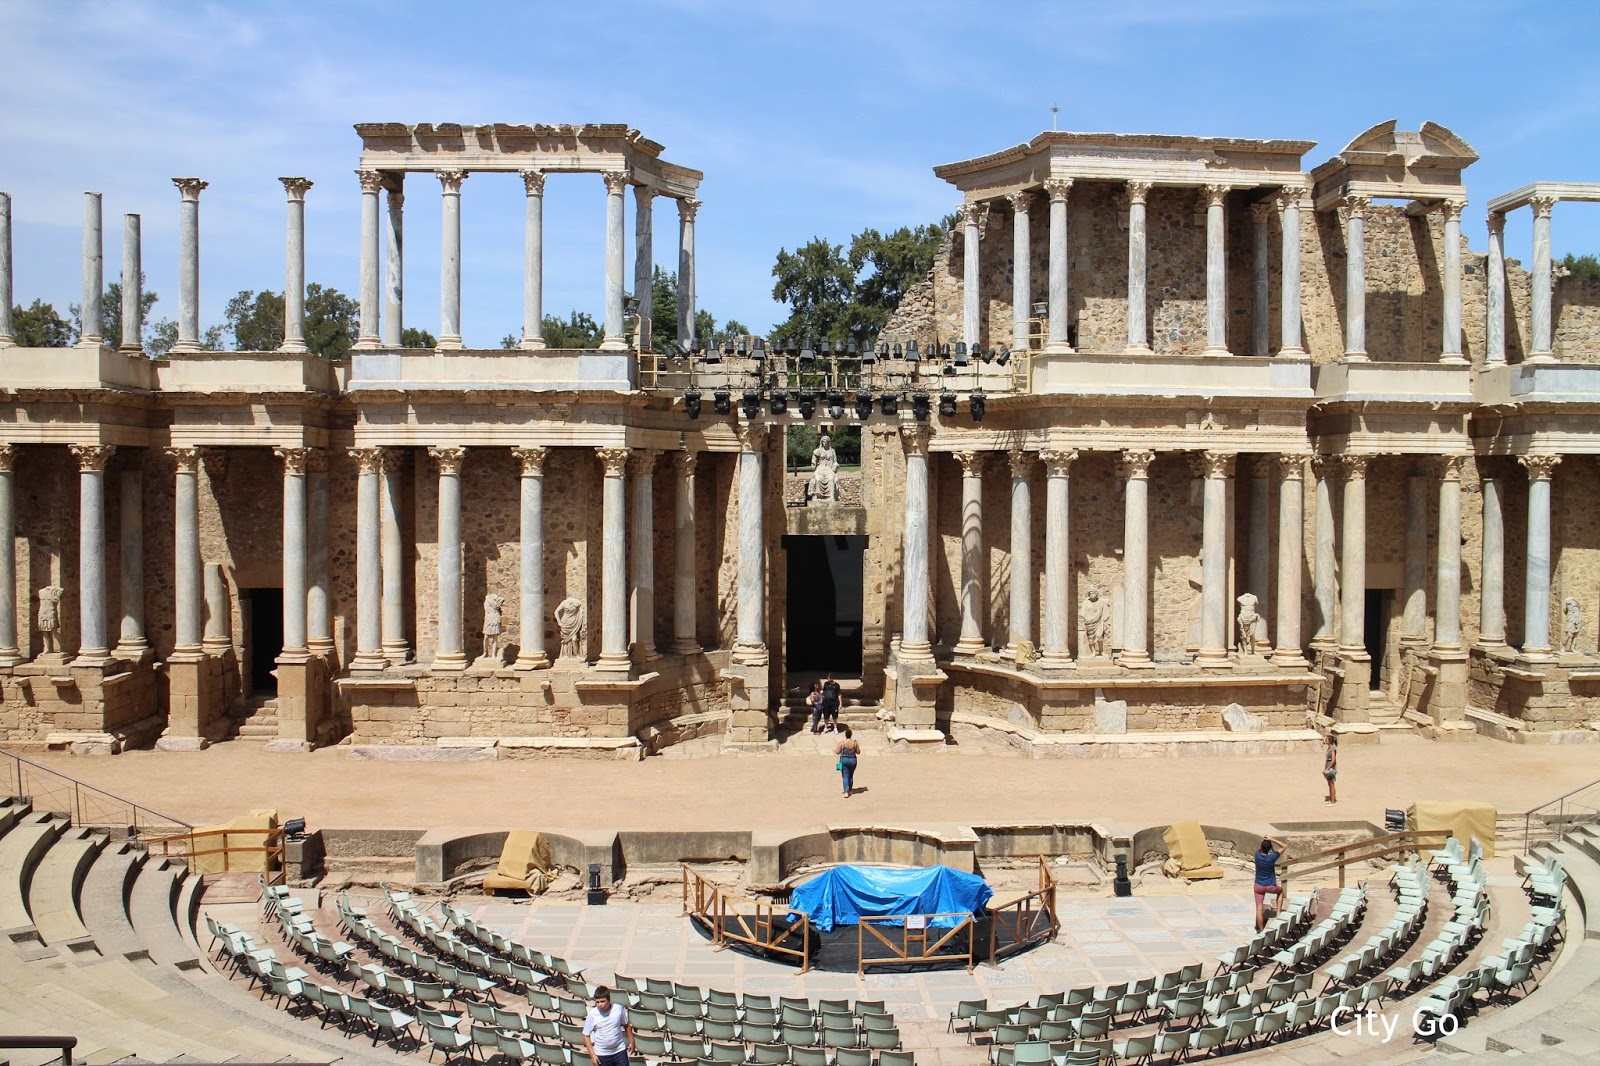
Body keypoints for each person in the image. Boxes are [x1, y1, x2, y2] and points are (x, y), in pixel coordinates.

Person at [582, 986, 633, 1066]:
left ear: (609, 1000)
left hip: (619, 1051)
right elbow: (586, 1035)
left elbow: (627, 1025)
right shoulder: (592, 1014)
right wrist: (592, 1055)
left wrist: (631, 1042)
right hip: (602, 1054)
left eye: (603, 1001)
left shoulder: (618, 1009)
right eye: (597, 1002)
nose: (600, 1005)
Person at [1253, 836, 1289, 931]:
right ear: (1269, 848)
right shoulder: (1272, 857)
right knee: (1280, 891)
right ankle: (1278, 913)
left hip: (1258, 886)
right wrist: (1272, 839)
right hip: (1270, 886)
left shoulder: (1257, 855)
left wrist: (1264, 842)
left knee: (1259, 909)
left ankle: (1261, 930)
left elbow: (1259, 849)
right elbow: (1284, 846)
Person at [808, 434, 839, 502]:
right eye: (823, 442)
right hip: (820, 469)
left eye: (826, 442)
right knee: (818, 479)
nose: (825, 443)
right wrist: (814, 459)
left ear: (828, 442)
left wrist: (835, 465)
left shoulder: (832, 451)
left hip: (829, 469)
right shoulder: (817, 451)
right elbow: (813, 463)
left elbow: (835, 461)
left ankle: (831, 496)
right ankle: (819, 496)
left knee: (831, 479)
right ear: (821, 442)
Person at [835, 725, 861, 798]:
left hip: (844, 760)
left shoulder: (842, 743)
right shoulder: (855, 743)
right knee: (850, 775)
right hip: (853, 760)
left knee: (845, 776)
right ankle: (850, 790)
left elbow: (837, 751)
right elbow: (858, 752)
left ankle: (846, 792)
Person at [1323, 733, 1338, 806]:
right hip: (1328, 767)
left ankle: (1333, 801)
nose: (1325, 740)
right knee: (1329, 784)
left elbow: (1333, 760)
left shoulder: (1332, 749)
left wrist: (1327, 769)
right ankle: (1331, 799)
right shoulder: (1329, 748)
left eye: (1326, 739)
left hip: (1331, 768)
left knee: (1331, 784)